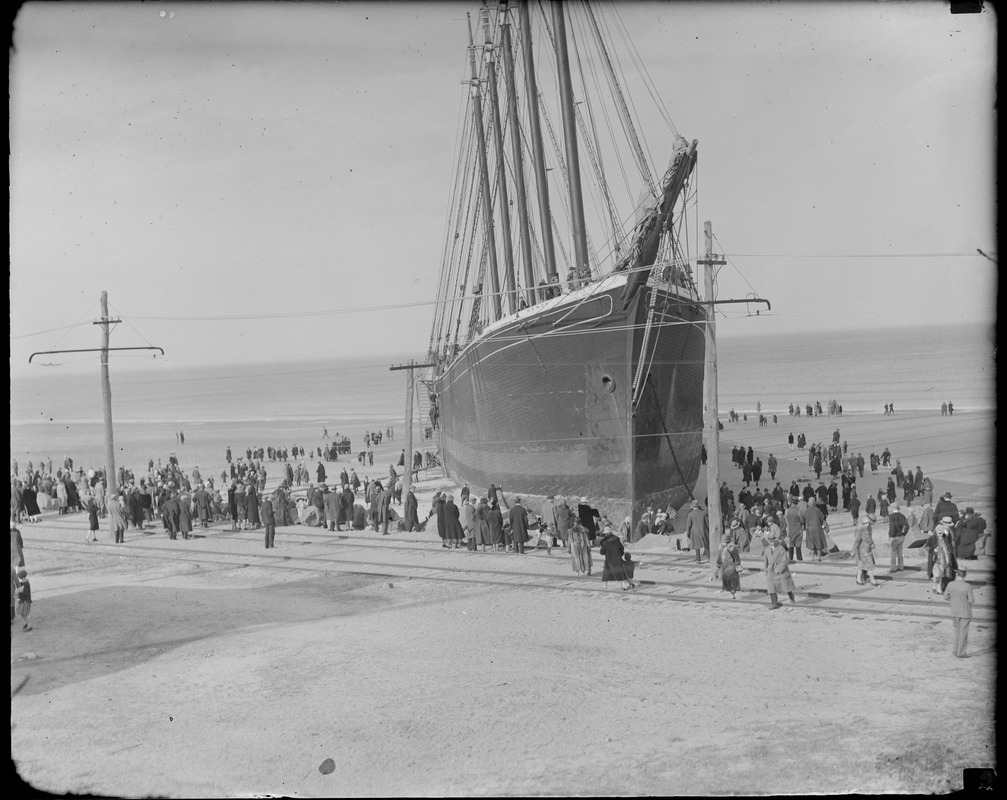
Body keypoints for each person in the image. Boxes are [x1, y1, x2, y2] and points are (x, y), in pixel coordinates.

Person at [943, 566, 974, 658]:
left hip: (955, 611)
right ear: (965, 575)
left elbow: (945, 597)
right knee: (963, 633)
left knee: (957, 632)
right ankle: (961, 653)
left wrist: (954, 600)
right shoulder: (967, 586)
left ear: (957, 574)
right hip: (965, 612)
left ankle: (955, 651)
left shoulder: (950, 584)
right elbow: (971, 600)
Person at [762, 533, 796, 608]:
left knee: (786, 586)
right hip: (771, 571)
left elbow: (785, 560)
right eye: (770, 541)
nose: (771, 543)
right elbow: (765, 560)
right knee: (771, 587)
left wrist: (779, 569)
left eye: (773, 541)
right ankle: (774, 603)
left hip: (781, 571)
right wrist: (766, 570)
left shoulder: (780, 548)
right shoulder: (767, 549)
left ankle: (791, 596)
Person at [853, 515, 881, 586]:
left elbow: (869, 537)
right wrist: (853, 549)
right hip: (863, 549)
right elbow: (856, 540)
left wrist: (872, 543)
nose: (868, 524)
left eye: (868, 523)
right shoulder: (861, 528)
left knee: (861, 564)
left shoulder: (868, 527)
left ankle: (858, 579)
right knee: (869, 564)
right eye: (866, 523)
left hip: (867, 548)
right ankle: (872, 580)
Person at [718, 526, 742, 599]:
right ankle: (727, 590)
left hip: (731, 566)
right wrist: (717, 565)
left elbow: (736, 558)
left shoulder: (732, 548)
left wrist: (737, 566)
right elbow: (719, 557)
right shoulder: (721, 548)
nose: (722, 543)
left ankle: (732, 593)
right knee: (725, 579)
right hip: (724, 566)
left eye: (724, 542)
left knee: (732, 581)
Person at [685, 499, 709, 564]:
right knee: (707, 545)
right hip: (704, 531)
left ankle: (698, 560)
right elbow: (707, 524)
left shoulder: (690, 514)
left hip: (695, 532)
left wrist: (688, 534)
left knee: (697, 547)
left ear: (692, 506)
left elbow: (689, 525)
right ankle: (710, 558)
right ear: (698, 505)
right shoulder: (703, 513)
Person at [887, 502, 909, 573]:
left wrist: (891, 536)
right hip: (901, 536)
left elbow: (892, 527)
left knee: (893, 552)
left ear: (893, 508)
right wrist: (903, 533)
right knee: (900, 551)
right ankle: (900, 566)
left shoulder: (891, 516)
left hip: (894, 536)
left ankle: (893, 567)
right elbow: (907, 526)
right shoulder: (902, 516)